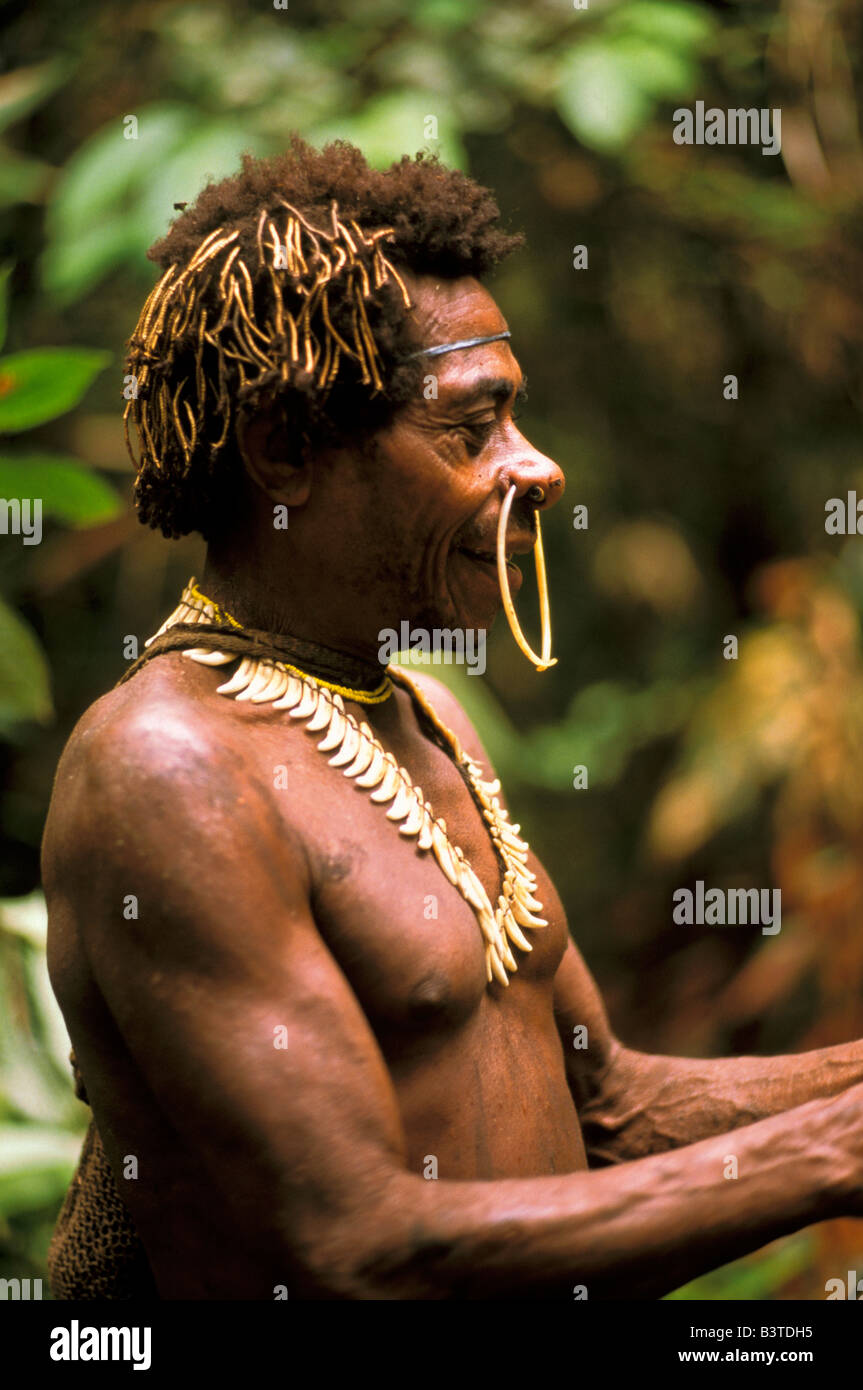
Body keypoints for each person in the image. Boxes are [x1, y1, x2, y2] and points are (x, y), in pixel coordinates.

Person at [42, 137, 863, 1300]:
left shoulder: (421, 719)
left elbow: (612, 1113)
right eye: (470, 429)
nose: (540, 469)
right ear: (285, 451)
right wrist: (825, 1153)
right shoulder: (168, 770)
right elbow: (358, 1243)